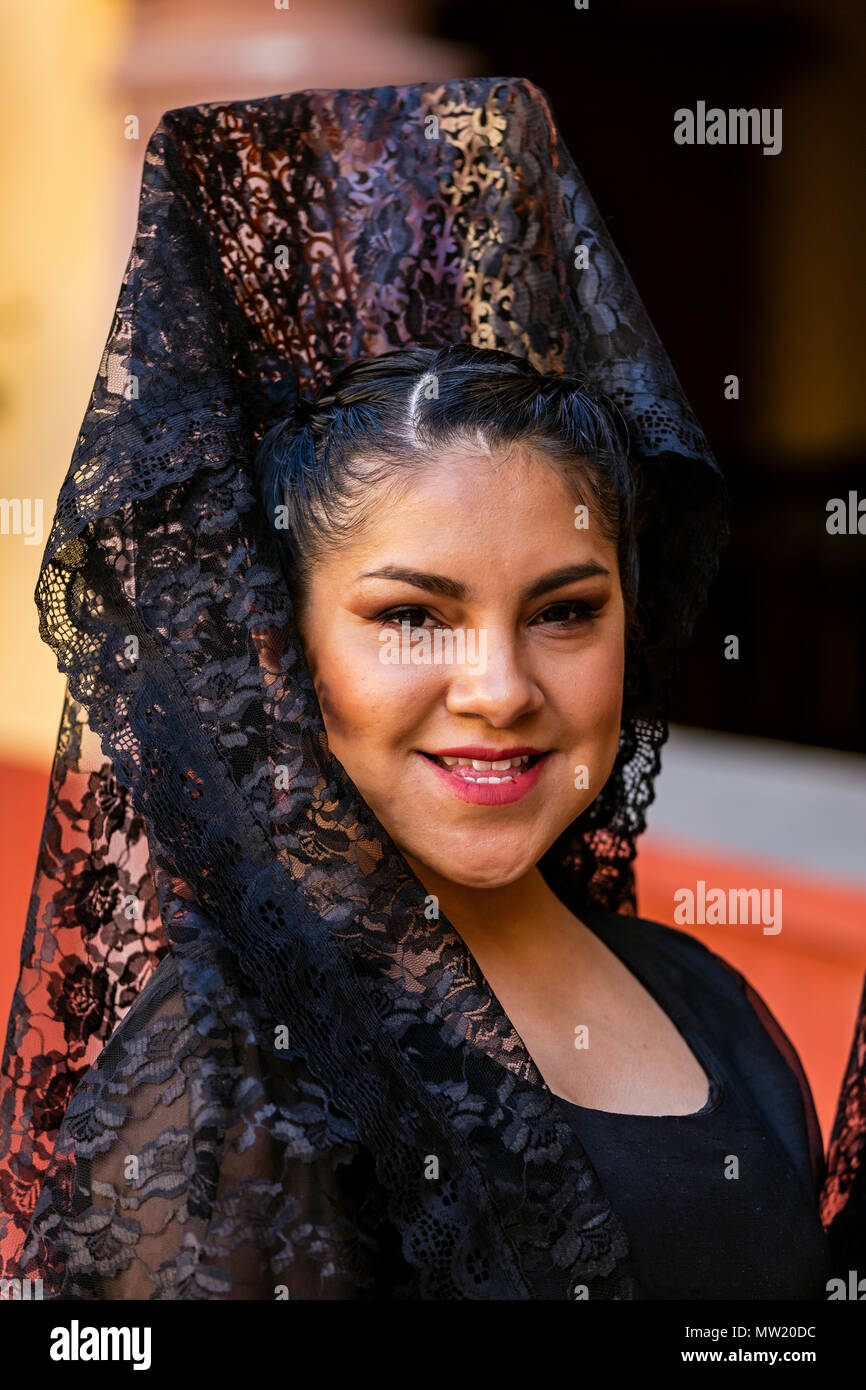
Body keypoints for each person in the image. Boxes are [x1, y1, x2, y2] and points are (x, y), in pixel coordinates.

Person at [0, 76, 861, 1300]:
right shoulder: (235, 1063)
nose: (500, 687)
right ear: (283, 652)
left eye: (565, 611)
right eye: (412, 615)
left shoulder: (705, 1003)